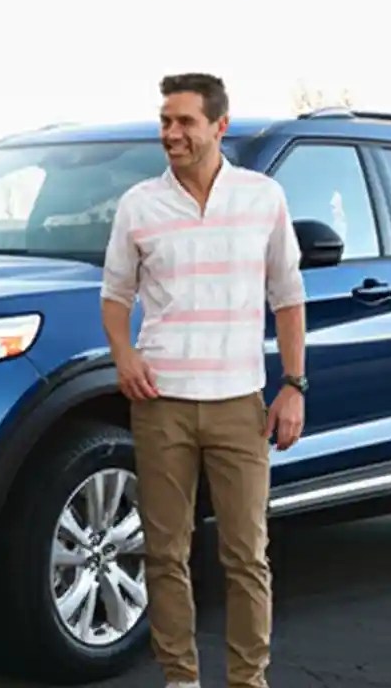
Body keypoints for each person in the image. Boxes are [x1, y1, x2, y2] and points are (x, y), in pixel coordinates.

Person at [100, 73, 307, 688]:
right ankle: (181, 678)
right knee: (165, 554)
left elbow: (288, 297)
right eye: (165, 120)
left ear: (220, 125)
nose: (171, 133)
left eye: (184, 121)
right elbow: (115, 297)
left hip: (239, 403)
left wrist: (293, 384)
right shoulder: (140, 203)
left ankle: (248, 679)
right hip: (160, 402)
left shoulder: (262, 197)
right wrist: (124, 354)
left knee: (246, 555)